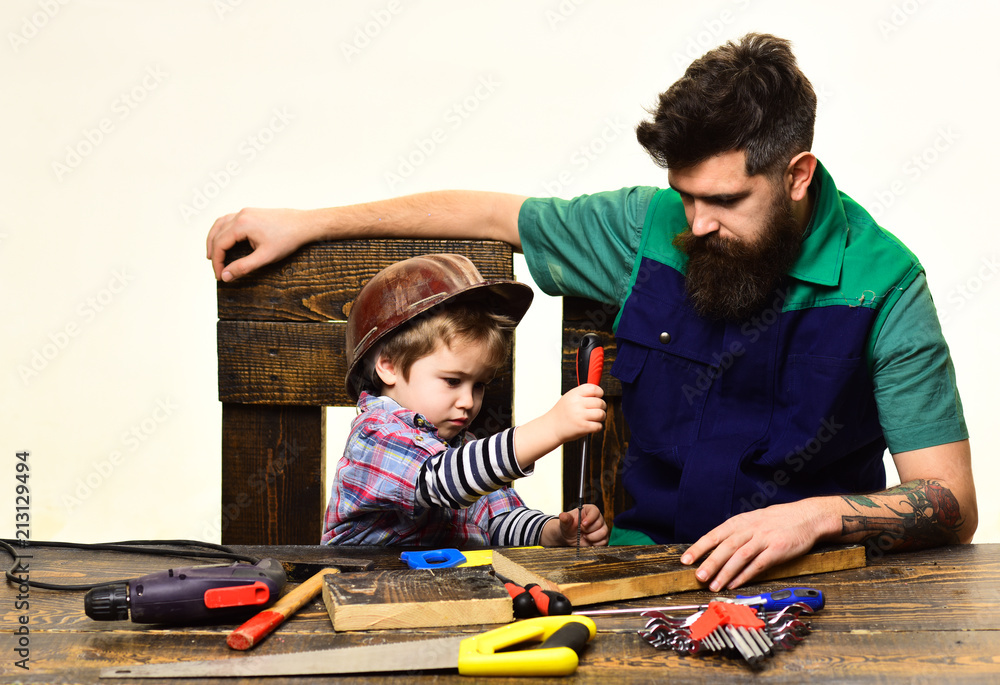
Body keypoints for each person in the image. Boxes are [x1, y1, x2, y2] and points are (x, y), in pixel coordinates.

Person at [206, 34, 977, 589]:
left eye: (725, 199)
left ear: (798, 173)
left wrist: (813, 517)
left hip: (823, 584)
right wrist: (305, 223)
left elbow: (950, 502)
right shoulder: (646, 229)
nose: (697, 223)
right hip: (636, 580)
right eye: (686, 195)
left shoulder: (886, 282)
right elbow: (487, 214)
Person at [322, 252, 609, 547]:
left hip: (441, 588)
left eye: (479, 385)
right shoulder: (376, 434)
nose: (468, 402)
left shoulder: (465, 447)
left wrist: (552, 531)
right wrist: (551, 428)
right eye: (453, 381)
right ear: (389, 366)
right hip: (361, 585)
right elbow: (442, 480)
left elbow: (498, 521)